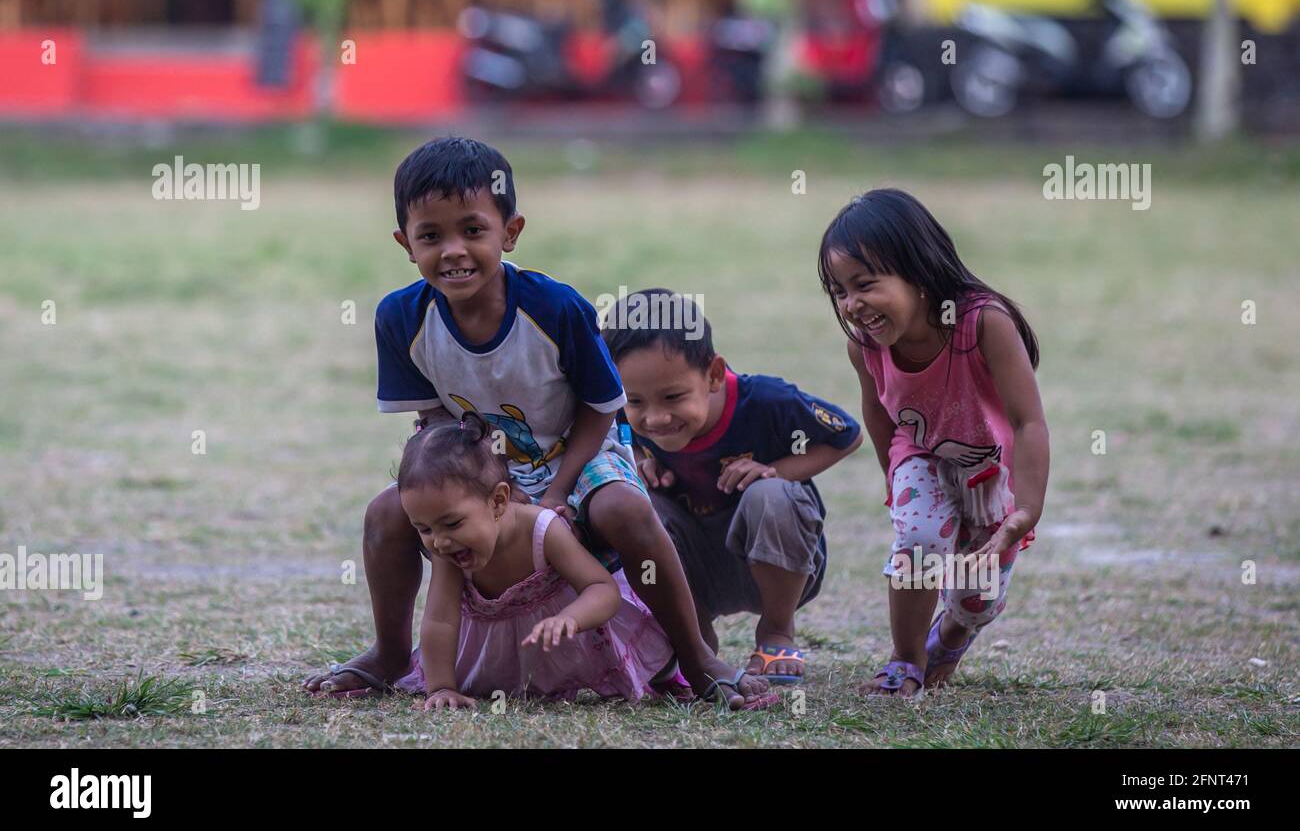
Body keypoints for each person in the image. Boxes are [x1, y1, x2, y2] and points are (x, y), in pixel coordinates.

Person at [302, 137, 772, 709]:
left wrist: (555, 491)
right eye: (431, 236)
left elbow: (602, 409)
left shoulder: (554, 309)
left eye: (473, 230)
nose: (454, 251)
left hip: (578, 448)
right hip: (481, 460)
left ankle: (697, 657)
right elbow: (432, 420)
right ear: (405, 243)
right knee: (386, 513)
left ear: (511, 231)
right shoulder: (401, 318)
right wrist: (453, 480)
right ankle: (391, 652)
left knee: (623, 509)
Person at [818, 189, 1048, 697]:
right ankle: (906, 661)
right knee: (919, 541)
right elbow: (877, 412)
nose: (852, 305)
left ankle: (951, 632)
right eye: (839, 291)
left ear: (919, 274)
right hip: (920, 453)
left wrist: (1025, 512)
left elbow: (1029, 422)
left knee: (977, 599)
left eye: (865, 285)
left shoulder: (983, 323)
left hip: (989, 466)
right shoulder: (865, 346)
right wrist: (894, 480)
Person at [603, 289, 863, 684]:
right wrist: (642, 462)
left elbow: (848, 435)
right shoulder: (623, 414)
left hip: (777, 562)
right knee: (632, 502)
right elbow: (625, 433)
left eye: (673, 396)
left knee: (771, 495)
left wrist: (773, 469)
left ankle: (777, 631)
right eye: (636, 401)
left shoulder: (768, 401)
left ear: (712, 374)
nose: (656, 418)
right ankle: (693, 637)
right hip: (694, 565)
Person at [391, 412, 681, 706]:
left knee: (650, 653)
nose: (439, 541)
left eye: (452, 523)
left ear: (498, 501)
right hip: (499, 655)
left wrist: (571, 618)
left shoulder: (542, 529)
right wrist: (440, 688)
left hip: (574, 642)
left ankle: (670, 673)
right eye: (423, 529)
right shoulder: (448, 552)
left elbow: (602, 588)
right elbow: (440, 620)